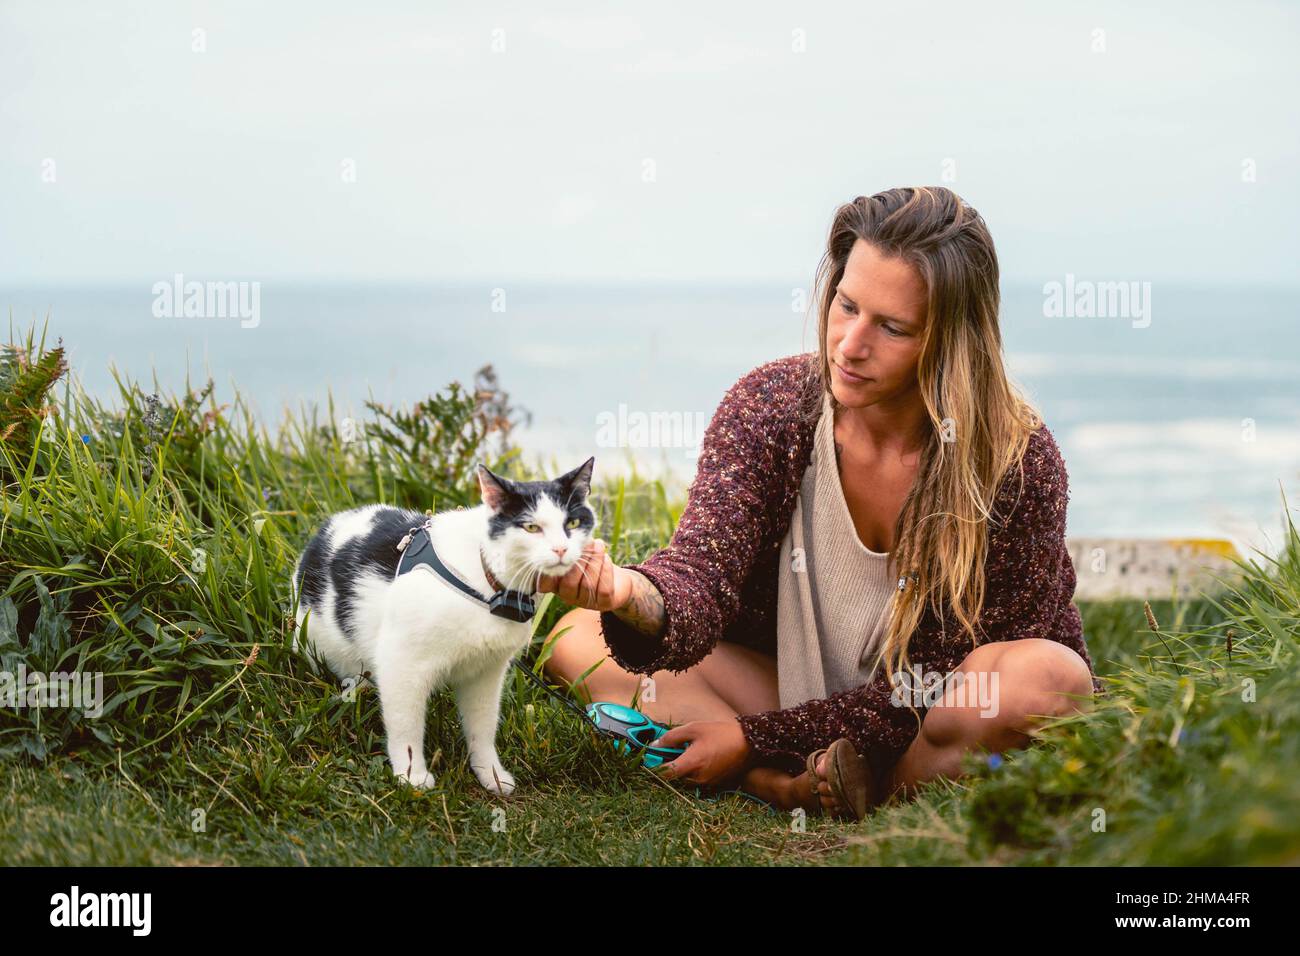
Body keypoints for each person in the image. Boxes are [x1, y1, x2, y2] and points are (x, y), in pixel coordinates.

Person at [537, 186, 1101, 820]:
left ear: (951, 342)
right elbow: (703, 572)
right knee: (579, 637)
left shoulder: (1015, 462)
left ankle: (868, 794)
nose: (849, 345)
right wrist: (629, 595)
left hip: (924, 721)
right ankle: (789, 785)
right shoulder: (771, 407)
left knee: (1046, 680)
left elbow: (934, 681)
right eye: (846, 305)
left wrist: (753, 738)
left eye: (891, 327)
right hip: (786, 687)